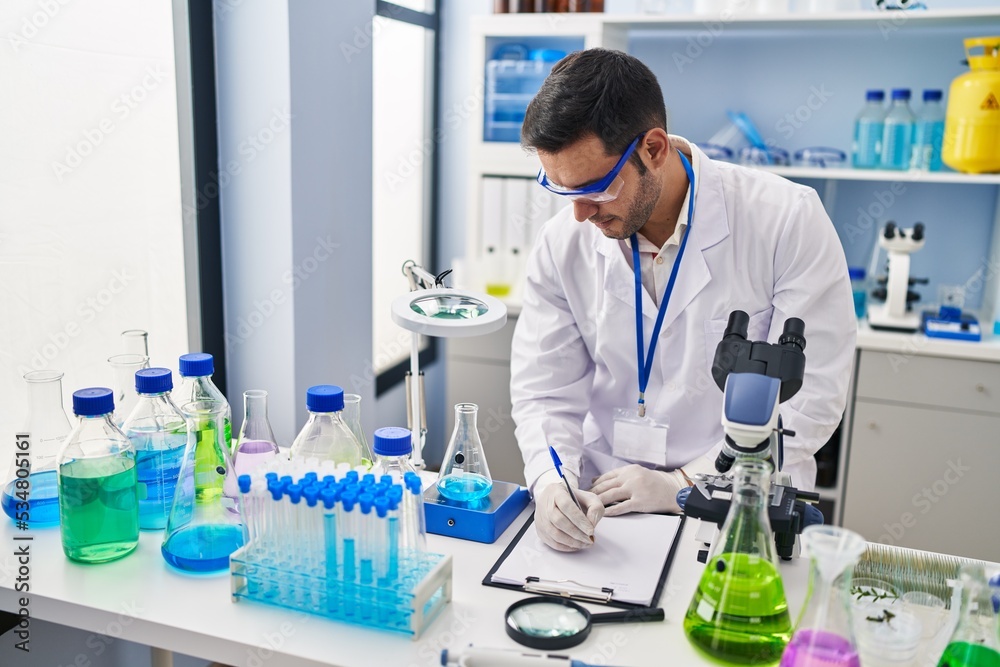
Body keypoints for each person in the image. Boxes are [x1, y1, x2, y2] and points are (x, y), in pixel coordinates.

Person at [509, 49, 856, 553]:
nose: (580, 213)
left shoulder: (785, 219)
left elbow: (811, 397)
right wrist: (550, 481)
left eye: (596, 189)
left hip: (738, 505)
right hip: (603, 508)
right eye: (562, 190)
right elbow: (545, 390)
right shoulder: (563, 240)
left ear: (653, 148)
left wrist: (686, 485)